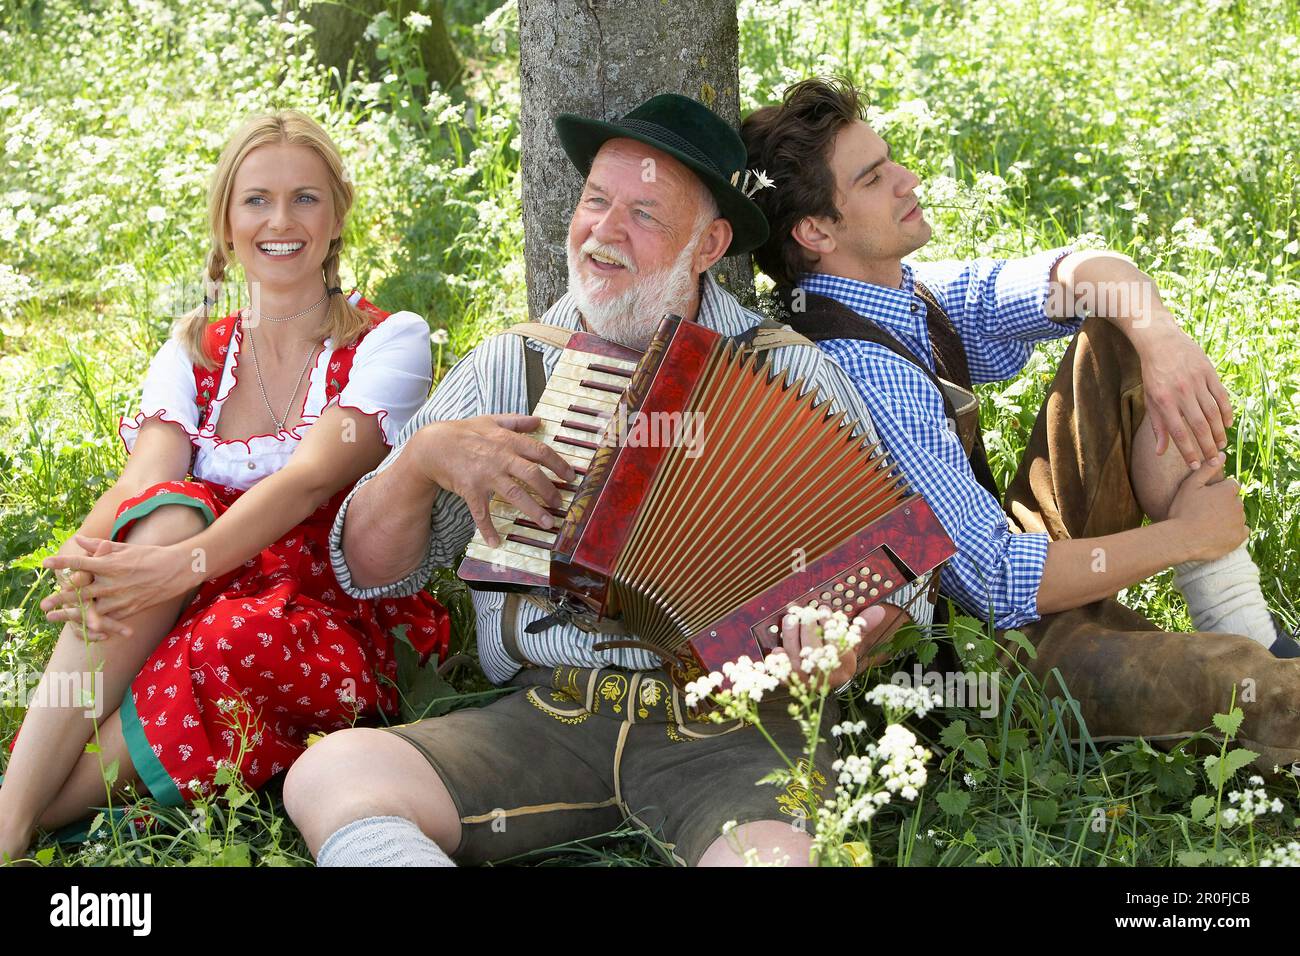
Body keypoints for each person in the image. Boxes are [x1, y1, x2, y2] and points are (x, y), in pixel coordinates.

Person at [282, 93, 928, 868]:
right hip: (548, 713)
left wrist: (850, 632)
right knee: (335, 772)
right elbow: (370, 568)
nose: (603, 230)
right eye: (596, 201)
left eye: (645, 214)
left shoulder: (786, 370)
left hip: (736, 733)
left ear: (708, 243)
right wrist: (422, 460)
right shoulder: (513, 363)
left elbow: (904, 573)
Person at [739, 76, 1300, 767]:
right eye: (876, 177)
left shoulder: (899, 297)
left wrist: (1162, 339)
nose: (908, 180)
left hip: (1021, 566)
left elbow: (1081, 271)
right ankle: (1251, 654)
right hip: (984, 658)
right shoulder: (855, 366)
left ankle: (1242, 621)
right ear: (817, 230)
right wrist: (1187, 537)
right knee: (1249, 690)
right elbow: (998, 587)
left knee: (1120, 328)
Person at [0, 110, 449, 863]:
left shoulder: (387, 339)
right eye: (257, 200)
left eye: (306, 198)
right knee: (165, 516)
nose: (281, 220)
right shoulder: (195, 345)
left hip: (318, 608)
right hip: (179, 587)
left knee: (232, 633)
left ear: (337, 216)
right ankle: (18, 814)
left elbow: (310, 483)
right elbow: (147, 478)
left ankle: (24, 813)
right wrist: (87, 557)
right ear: (227, 222)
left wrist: (181, 564)